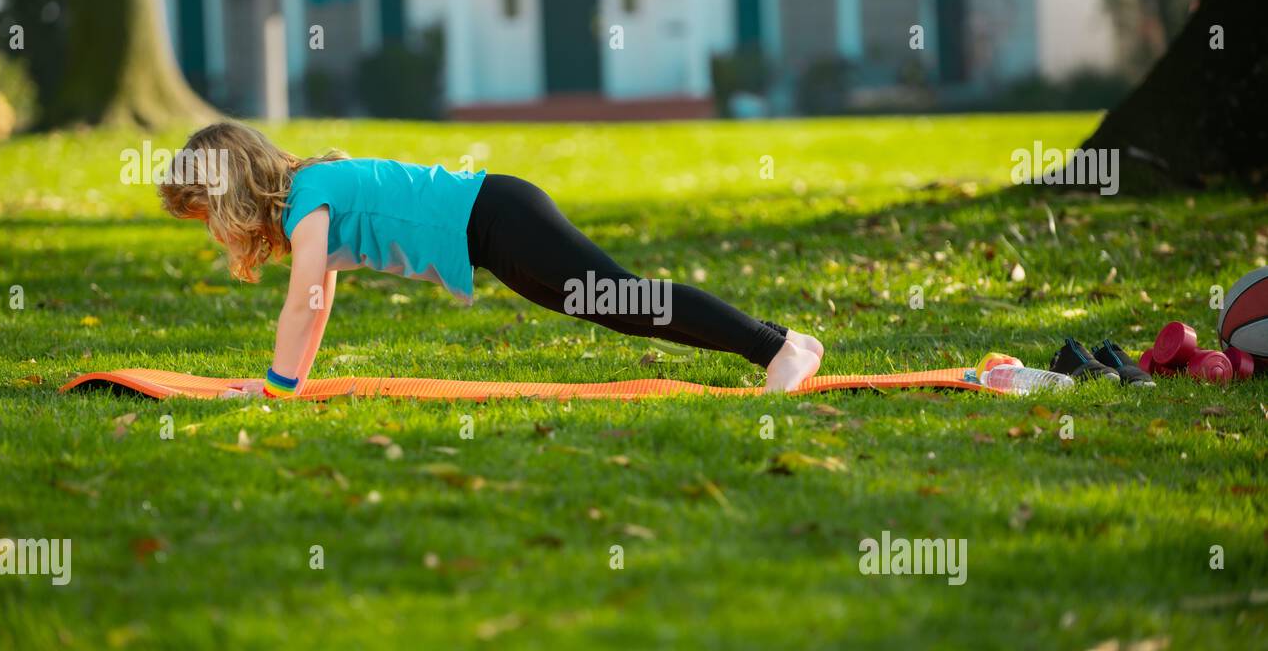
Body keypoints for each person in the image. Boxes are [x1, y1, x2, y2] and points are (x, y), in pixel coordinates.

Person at [158, 122, 824, 397]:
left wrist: (273, 389)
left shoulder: (309, 198)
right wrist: (287, 386)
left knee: (625, 297)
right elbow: (320, 299)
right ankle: (775, 350)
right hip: (495, 232)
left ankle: (781, 347)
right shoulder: (310, 204)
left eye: (206, 217)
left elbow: (302, 299)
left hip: (500, 216)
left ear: (231, 193)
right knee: (622, 310)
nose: (215, 234)